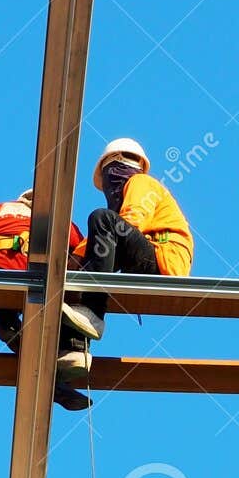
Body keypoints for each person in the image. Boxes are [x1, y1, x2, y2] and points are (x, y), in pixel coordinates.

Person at [0, 189, 92, 411]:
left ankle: (10, 326)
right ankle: (68, 351)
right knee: (72, 286)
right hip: (28, 279)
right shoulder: (62, 223)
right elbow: (83, 263)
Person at [67, 137, 194, 340]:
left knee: (102, 218)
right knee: (92, 255)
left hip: (162, 259)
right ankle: (74, 342)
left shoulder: (141, 182)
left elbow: (132, 219)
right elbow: (105, 238)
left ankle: (93, 313)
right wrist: (74, 259)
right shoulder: (122, 207)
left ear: (116, 165)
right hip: (150, 259)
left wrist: (77, 260)